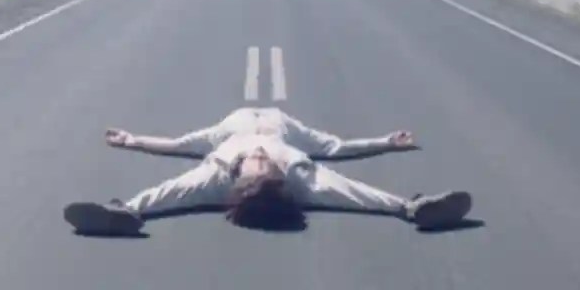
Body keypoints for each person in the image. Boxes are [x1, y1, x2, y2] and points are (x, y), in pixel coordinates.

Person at [64, 107, 471, 235]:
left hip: (236, 170)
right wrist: (133, 140)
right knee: (353, 192)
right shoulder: (295, 171)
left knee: (168, 193)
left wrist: (384, 141)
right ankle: (413, 208)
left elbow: (336, 147)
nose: (259, 155)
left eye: (256, 162)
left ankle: (125, 213)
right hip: (296, 171)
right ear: (273, 173)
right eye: (263, 162)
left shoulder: (220, 170)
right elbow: (179, 145)